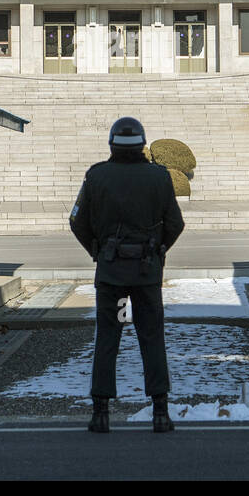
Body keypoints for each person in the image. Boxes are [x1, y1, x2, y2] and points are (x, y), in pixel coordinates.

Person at [70, 117, 185, 433]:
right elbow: (175, 224)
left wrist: (98, 251)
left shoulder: (96, 176)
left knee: (108, 338)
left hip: (111, 274)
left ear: (111, 144)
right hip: (146, 275)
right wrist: (158, 251)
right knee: (152, 338)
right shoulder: (159, 177)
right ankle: (160, 413)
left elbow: (77, 221)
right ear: (142, 145)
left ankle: (101, 413)